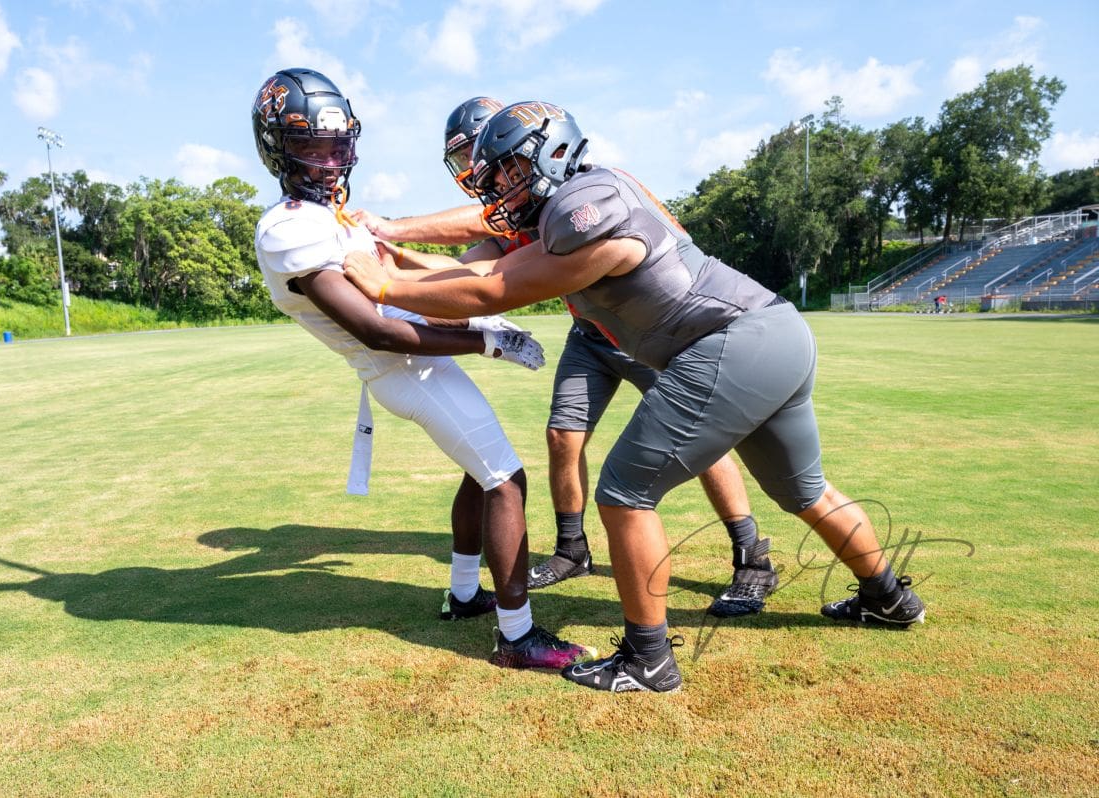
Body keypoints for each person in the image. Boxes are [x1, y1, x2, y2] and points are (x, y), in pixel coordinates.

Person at [344, 101, 927, 693]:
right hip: (773, 331)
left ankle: (648, 660)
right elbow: (479, 269)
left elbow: (494, 290)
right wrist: (404, 266)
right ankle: (889, 598)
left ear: (551, 153)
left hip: (730, 340)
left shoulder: (581, 209)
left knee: (624, 493)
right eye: (497, 180)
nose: (501, 190)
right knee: (807, 491)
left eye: (511, 174)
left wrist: (386, 284)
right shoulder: (581, 198)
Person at [352, 98, 776, 616]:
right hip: (593, 331)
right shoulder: (516, 206)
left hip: (648, 328)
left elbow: (476, 230)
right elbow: (465, 271)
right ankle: (573, 550)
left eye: (475, 158)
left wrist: (391, 230)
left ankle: (751, 555)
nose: (474, 173)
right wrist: (392, 269)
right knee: (562, 436)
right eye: (464, 163)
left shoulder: (575, 189)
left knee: (700, 443)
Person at [250, 71, 591, 670]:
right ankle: (516, 637)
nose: (331, 158)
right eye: (311, 144)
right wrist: (484, 343)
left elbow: (404, 292)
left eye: (338, 142)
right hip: (399, 365)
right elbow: (376, 327)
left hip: (414, 355)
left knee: (478, 472)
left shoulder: (327, 217)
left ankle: (463, 595)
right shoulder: (288, 229)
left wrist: (473, 321)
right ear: (278, 147)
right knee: (506, 480)